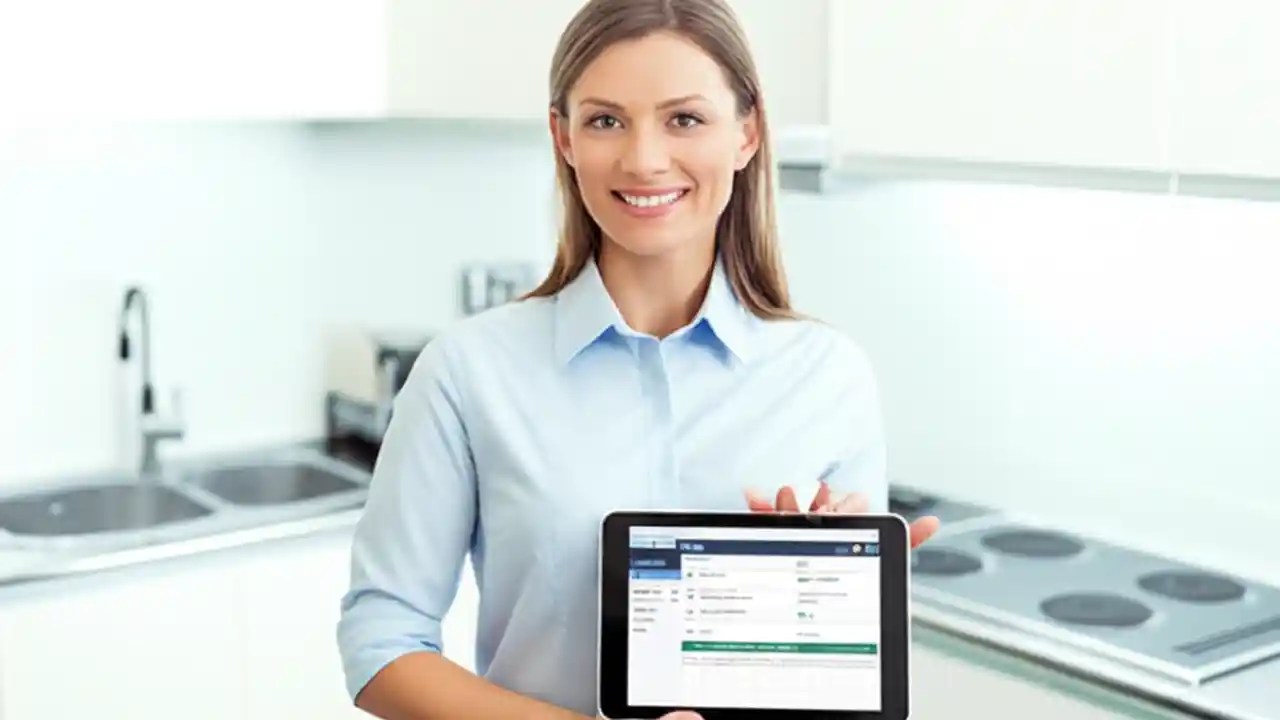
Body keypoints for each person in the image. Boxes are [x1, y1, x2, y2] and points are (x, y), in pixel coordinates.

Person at [336, 0, 940, 717]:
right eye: (605, 120)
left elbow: (833, 687)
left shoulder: (828, 375)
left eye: (684, 118)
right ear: (563, 138)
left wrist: (837, 603)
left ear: (747, 132)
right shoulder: (467, 372)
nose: (644, 158)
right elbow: (381, 643)